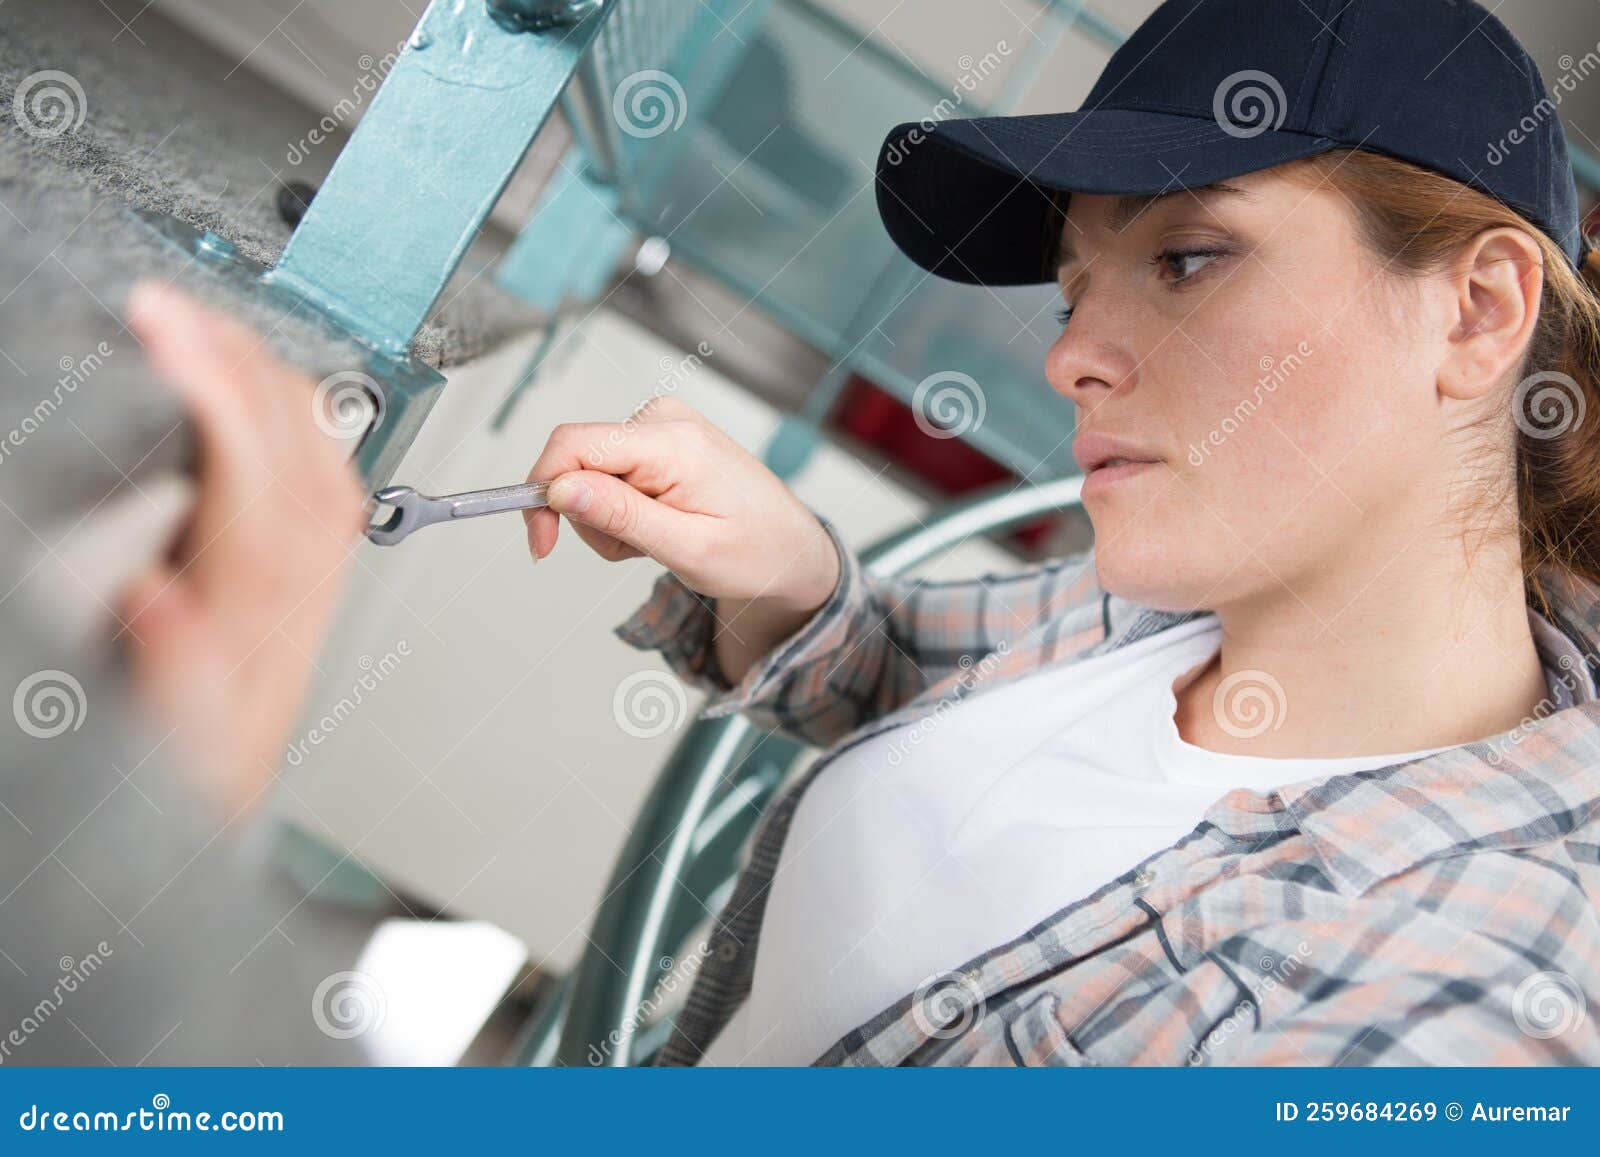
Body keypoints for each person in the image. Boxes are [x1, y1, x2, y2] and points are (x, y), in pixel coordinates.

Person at [523, 0, 1600, 1065]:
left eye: (1185, 258)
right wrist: (789, 571)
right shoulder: (1156, 613)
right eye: (1070, 297)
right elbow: (890, 670)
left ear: (1477, 310)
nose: (1066, 359)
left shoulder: (1480, 997)